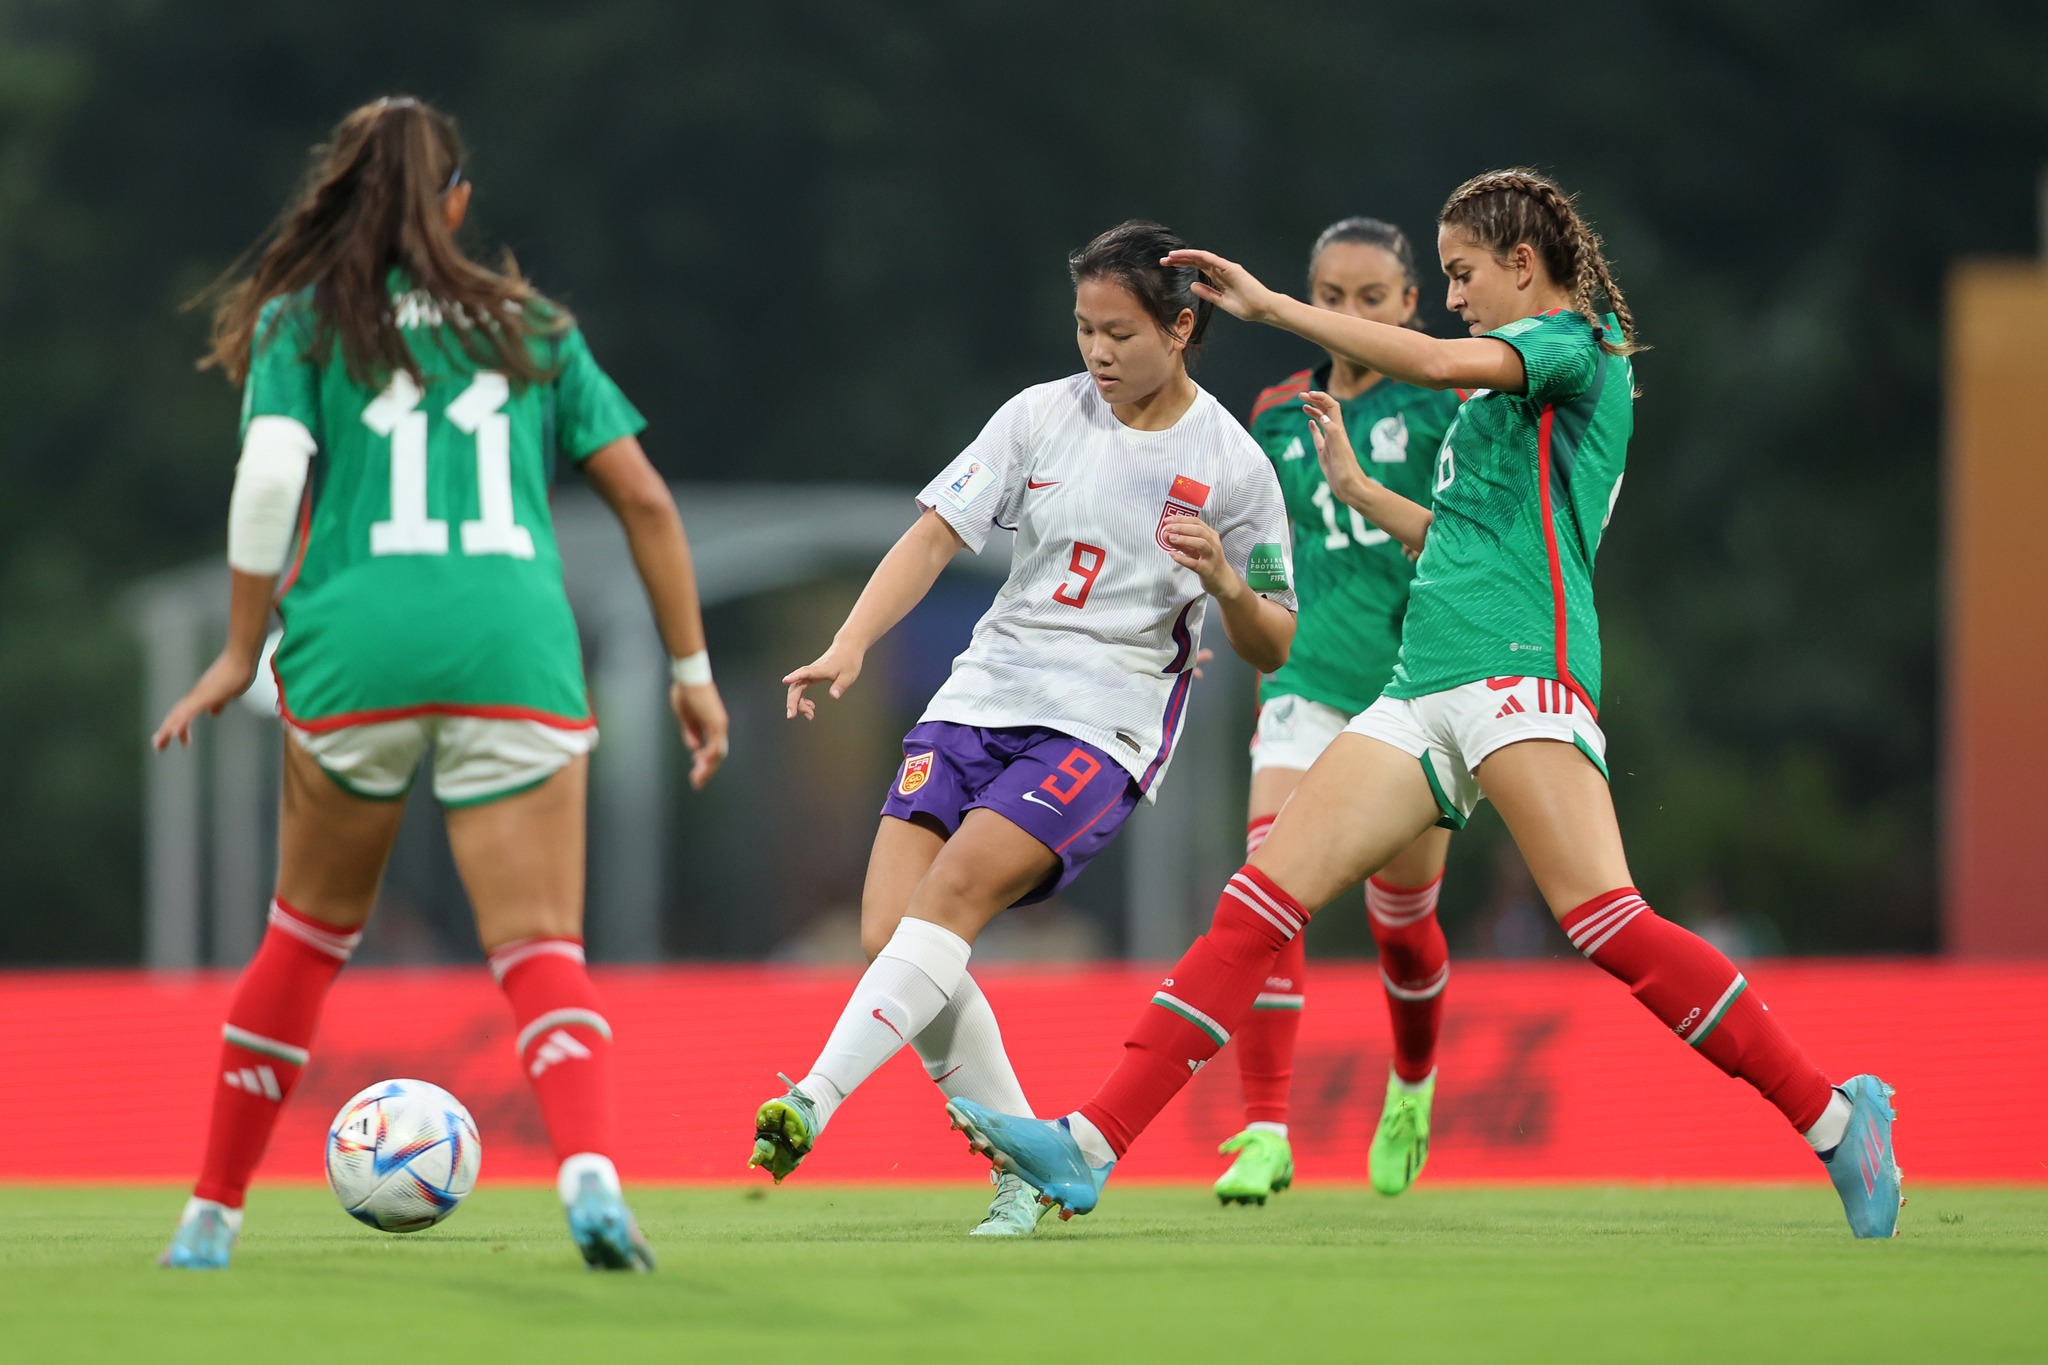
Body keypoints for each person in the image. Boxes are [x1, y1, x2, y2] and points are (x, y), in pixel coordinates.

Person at [948, 169, 1903, 1240]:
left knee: (1604, 922)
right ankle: (1088, 1146)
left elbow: (1442, 360)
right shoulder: (1504, 394)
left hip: (1516, 672)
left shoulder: (1566, 344)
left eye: (1458, 273)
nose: (1450, 296)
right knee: (1259, 901)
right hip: (1423, 685)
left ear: (1520, 265)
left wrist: (1270, 306)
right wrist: (1357, 495)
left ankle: (1834, 1119)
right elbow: (1461, 541)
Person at [152, 97, 729, 1270]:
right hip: (508, 642)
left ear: (343, 200)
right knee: (537, 947)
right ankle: (589, 1181)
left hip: (354, 644)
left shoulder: (304, 323)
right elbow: (649, 504)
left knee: (305, 938)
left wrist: (236, 647)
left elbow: (269, 481)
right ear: (458, 201)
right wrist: (689, 670)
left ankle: (211, 1216)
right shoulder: (532, 327)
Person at [747, 220, 1297, 1236]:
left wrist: (1221, 576)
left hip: (1101, 727)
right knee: (890, 937)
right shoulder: (1038, 417)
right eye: (1083, 327)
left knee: (948, 899)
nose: (1096, 351)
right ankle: (1024, 1167)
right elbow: (931, 535)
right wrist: (850, 644)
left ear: (1180, 328)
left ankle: (810, 1101)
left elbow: (1272, 639)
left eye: (1119, 332)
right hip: (977, 699)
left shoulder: (1234, 467)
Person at [1214, 218, 1463, 1207]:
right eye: (1330, 296)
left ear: (1410, 308)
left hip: (1414, 691)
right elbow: (1261, 542)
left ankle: (1410, 1085)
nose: (1347, 316)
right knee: (1266, 892)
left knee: (1400, 926)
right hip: (1303, 687)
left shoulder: (1444, 406)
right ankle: (1264, 1132)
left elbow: (1468, 542)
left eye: (1371, 299)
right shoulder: (1277, 411)